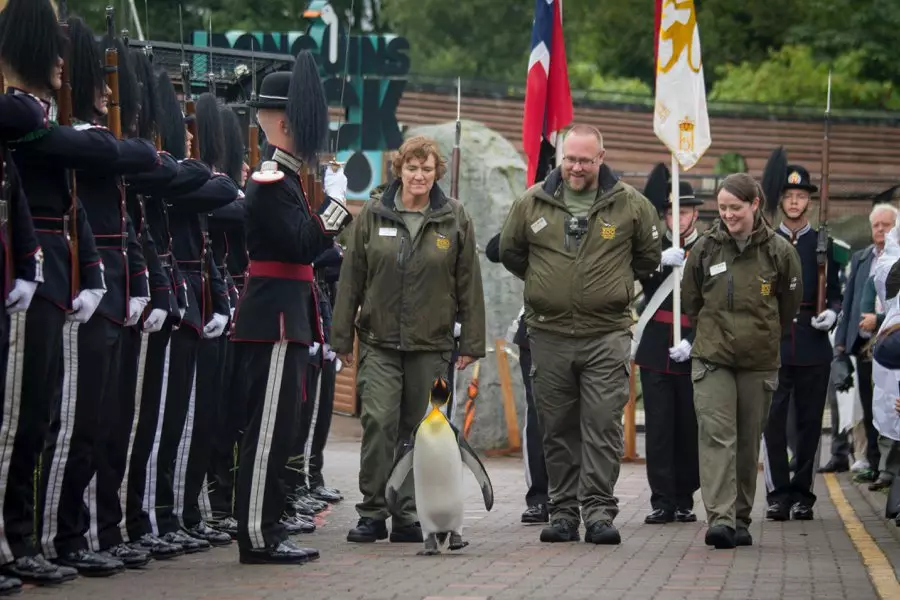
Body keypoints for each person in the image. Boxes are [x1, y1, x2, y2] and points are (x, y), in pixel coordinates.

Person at [499, 124, 662, 545]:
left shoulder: (631, 206)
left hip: (606, 335)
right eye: (570, 158)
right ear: (560, 156)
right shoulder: (531, 202)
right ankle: (564, 512)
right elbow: (512, 252)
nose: (576, 166)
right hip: (548, 335)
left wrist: (608, 287)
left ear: (600, 158)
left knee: (602, 425)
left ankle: (599, 511)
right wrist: (546, 284)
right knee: (556, 427)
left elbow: (647, 257)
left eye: (585, 159)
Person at [0, 0, 114, 583]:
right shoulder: (17, 112)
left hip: (54, 271)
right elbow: (95, 152)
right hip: (28, 270)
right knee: (16, 419)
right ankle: (12, 539)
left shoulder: (38, 115)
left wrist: (92, 272)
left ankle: (22, 540)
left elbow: (76, 208)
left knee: (39, 416)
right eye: (53, 49)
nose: (63, 64)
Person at [332, 135, 486, 545]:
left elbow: (469, 283)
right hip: (380, 342)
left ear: (437, 173)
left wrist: (472, 341)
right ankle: (371, 512)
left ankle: (408, 515)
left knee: (421, 431)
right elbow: (351, 279)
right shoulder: (373, 213)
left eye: (427, 169)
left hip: (432, 347)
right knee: (379, 421)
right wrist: (342, 337)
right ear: (399, 169)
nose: (419, 176)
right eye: (412, 168)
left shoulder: (454, 218)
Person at [230, 52, 353, 564]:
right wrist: (336, 207)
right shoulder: (270, 184)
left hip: (290, 316)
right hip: (274, 320)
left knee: (284, 429)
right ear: (284, 123)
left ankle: (271, 522)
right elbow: (302, 244)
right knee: (267, 432)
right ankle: (257, 533)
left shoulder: (288, 183)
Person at [681, 173, 802, 549]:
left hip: (758, 359)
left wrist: (761, 334)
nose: (728, 215)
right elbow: (691, 301)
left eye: (735, 207)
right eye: (722, 208)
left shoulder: (780, 252)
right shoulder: (705, 248)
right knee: (718, 437)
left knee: (748, 441)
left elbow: (789, 305)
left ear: (755, 205)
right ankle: (720, 518)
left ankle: (741, 517)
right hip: (713, 356)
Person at [762, 164, 842, 522]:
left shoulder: (823, 245)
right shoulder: (766, 242)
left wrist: (834, 313)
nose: (795, 202)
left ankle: (802, 495)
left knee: (811, 422)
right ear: (781, 200)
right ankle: (778, 493)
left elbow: (839, 294)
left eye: (801, 197)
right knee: (772, 421)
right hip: (775, 341)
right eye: (789, 196)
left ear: (809, 202)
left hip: (812, 340)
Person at [634, 174, 702, 525]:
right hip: (657, 342)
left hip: (692, 342)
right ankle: (661, 499)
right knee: (659, 427)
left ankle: (685, 497)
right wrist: (660, 261)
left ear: (694, 215)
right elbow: (633, 277)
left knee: (688, 426)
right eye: (673, 212)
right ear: (664, 216)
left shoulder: (707, 246)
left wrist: (696, 341)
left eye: (685, 211)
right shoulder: (653, 246)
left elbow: (714, 300)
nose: (679, 218)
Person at [485, 233, 550, 524]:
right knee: (538, 414)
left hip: (582, 326)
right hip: (537, 327)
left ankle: (580, 496)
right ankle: (539, 496)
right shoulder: (535, 218)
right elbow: (495, 250)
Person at [833, 203, 899, 484]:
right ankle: (872, 462)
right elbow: (848, 306)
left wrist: (879, 319)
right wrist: (839, 345)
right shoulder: (861, 259)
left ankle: (891, 467)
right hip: (864, 346)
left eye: (887, 224)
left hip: (892, 342)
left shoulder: (897, 258)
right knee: (870, 406)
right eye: (876, 225)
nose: (881, 229)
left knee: (892, 405)